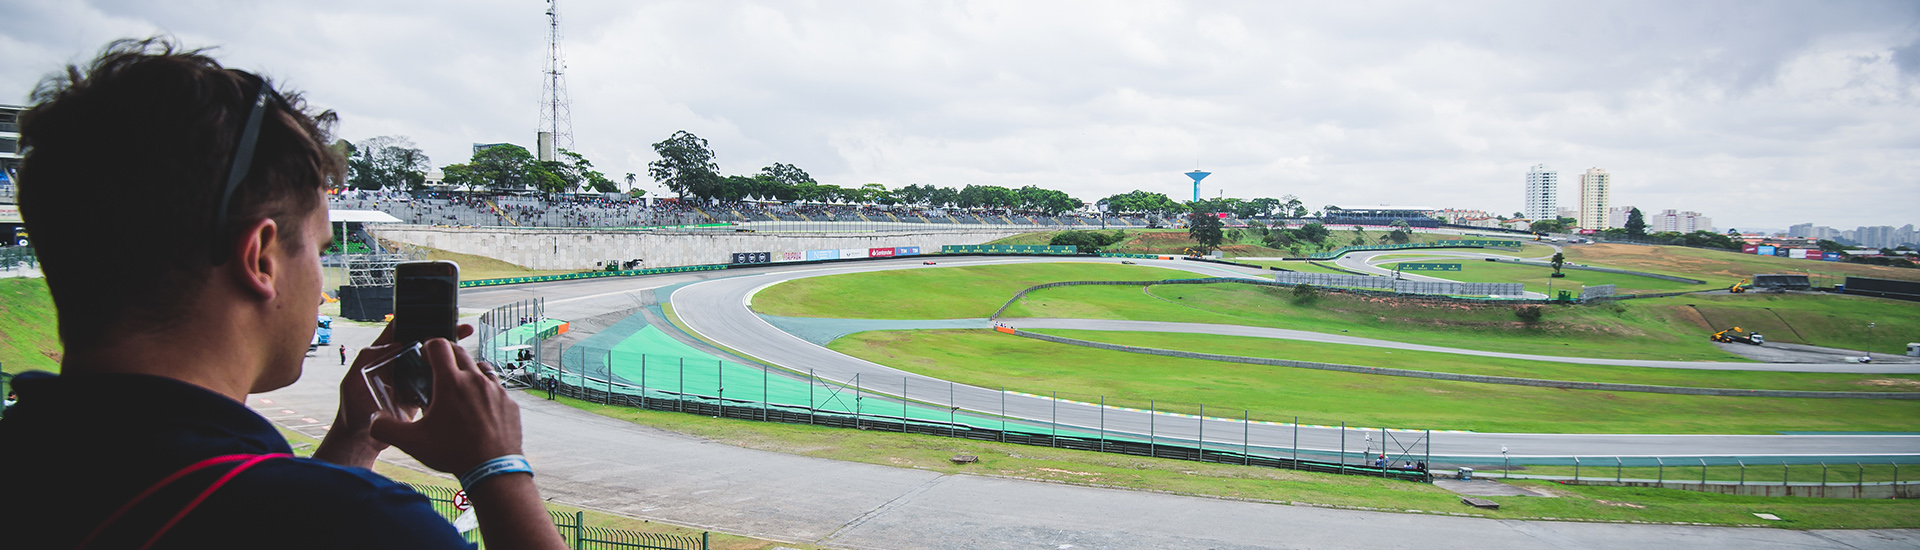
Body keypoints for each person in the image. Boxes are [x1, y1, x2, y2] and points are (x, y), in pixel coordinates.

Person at [0, 38, 564, 549]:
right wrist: (497, 466)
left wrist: (356, 436)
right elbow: (293, 518)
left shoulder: (30, 461)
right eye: (319, 251)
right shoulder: (365, 524)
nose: (321, 284)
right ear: (262, 259)